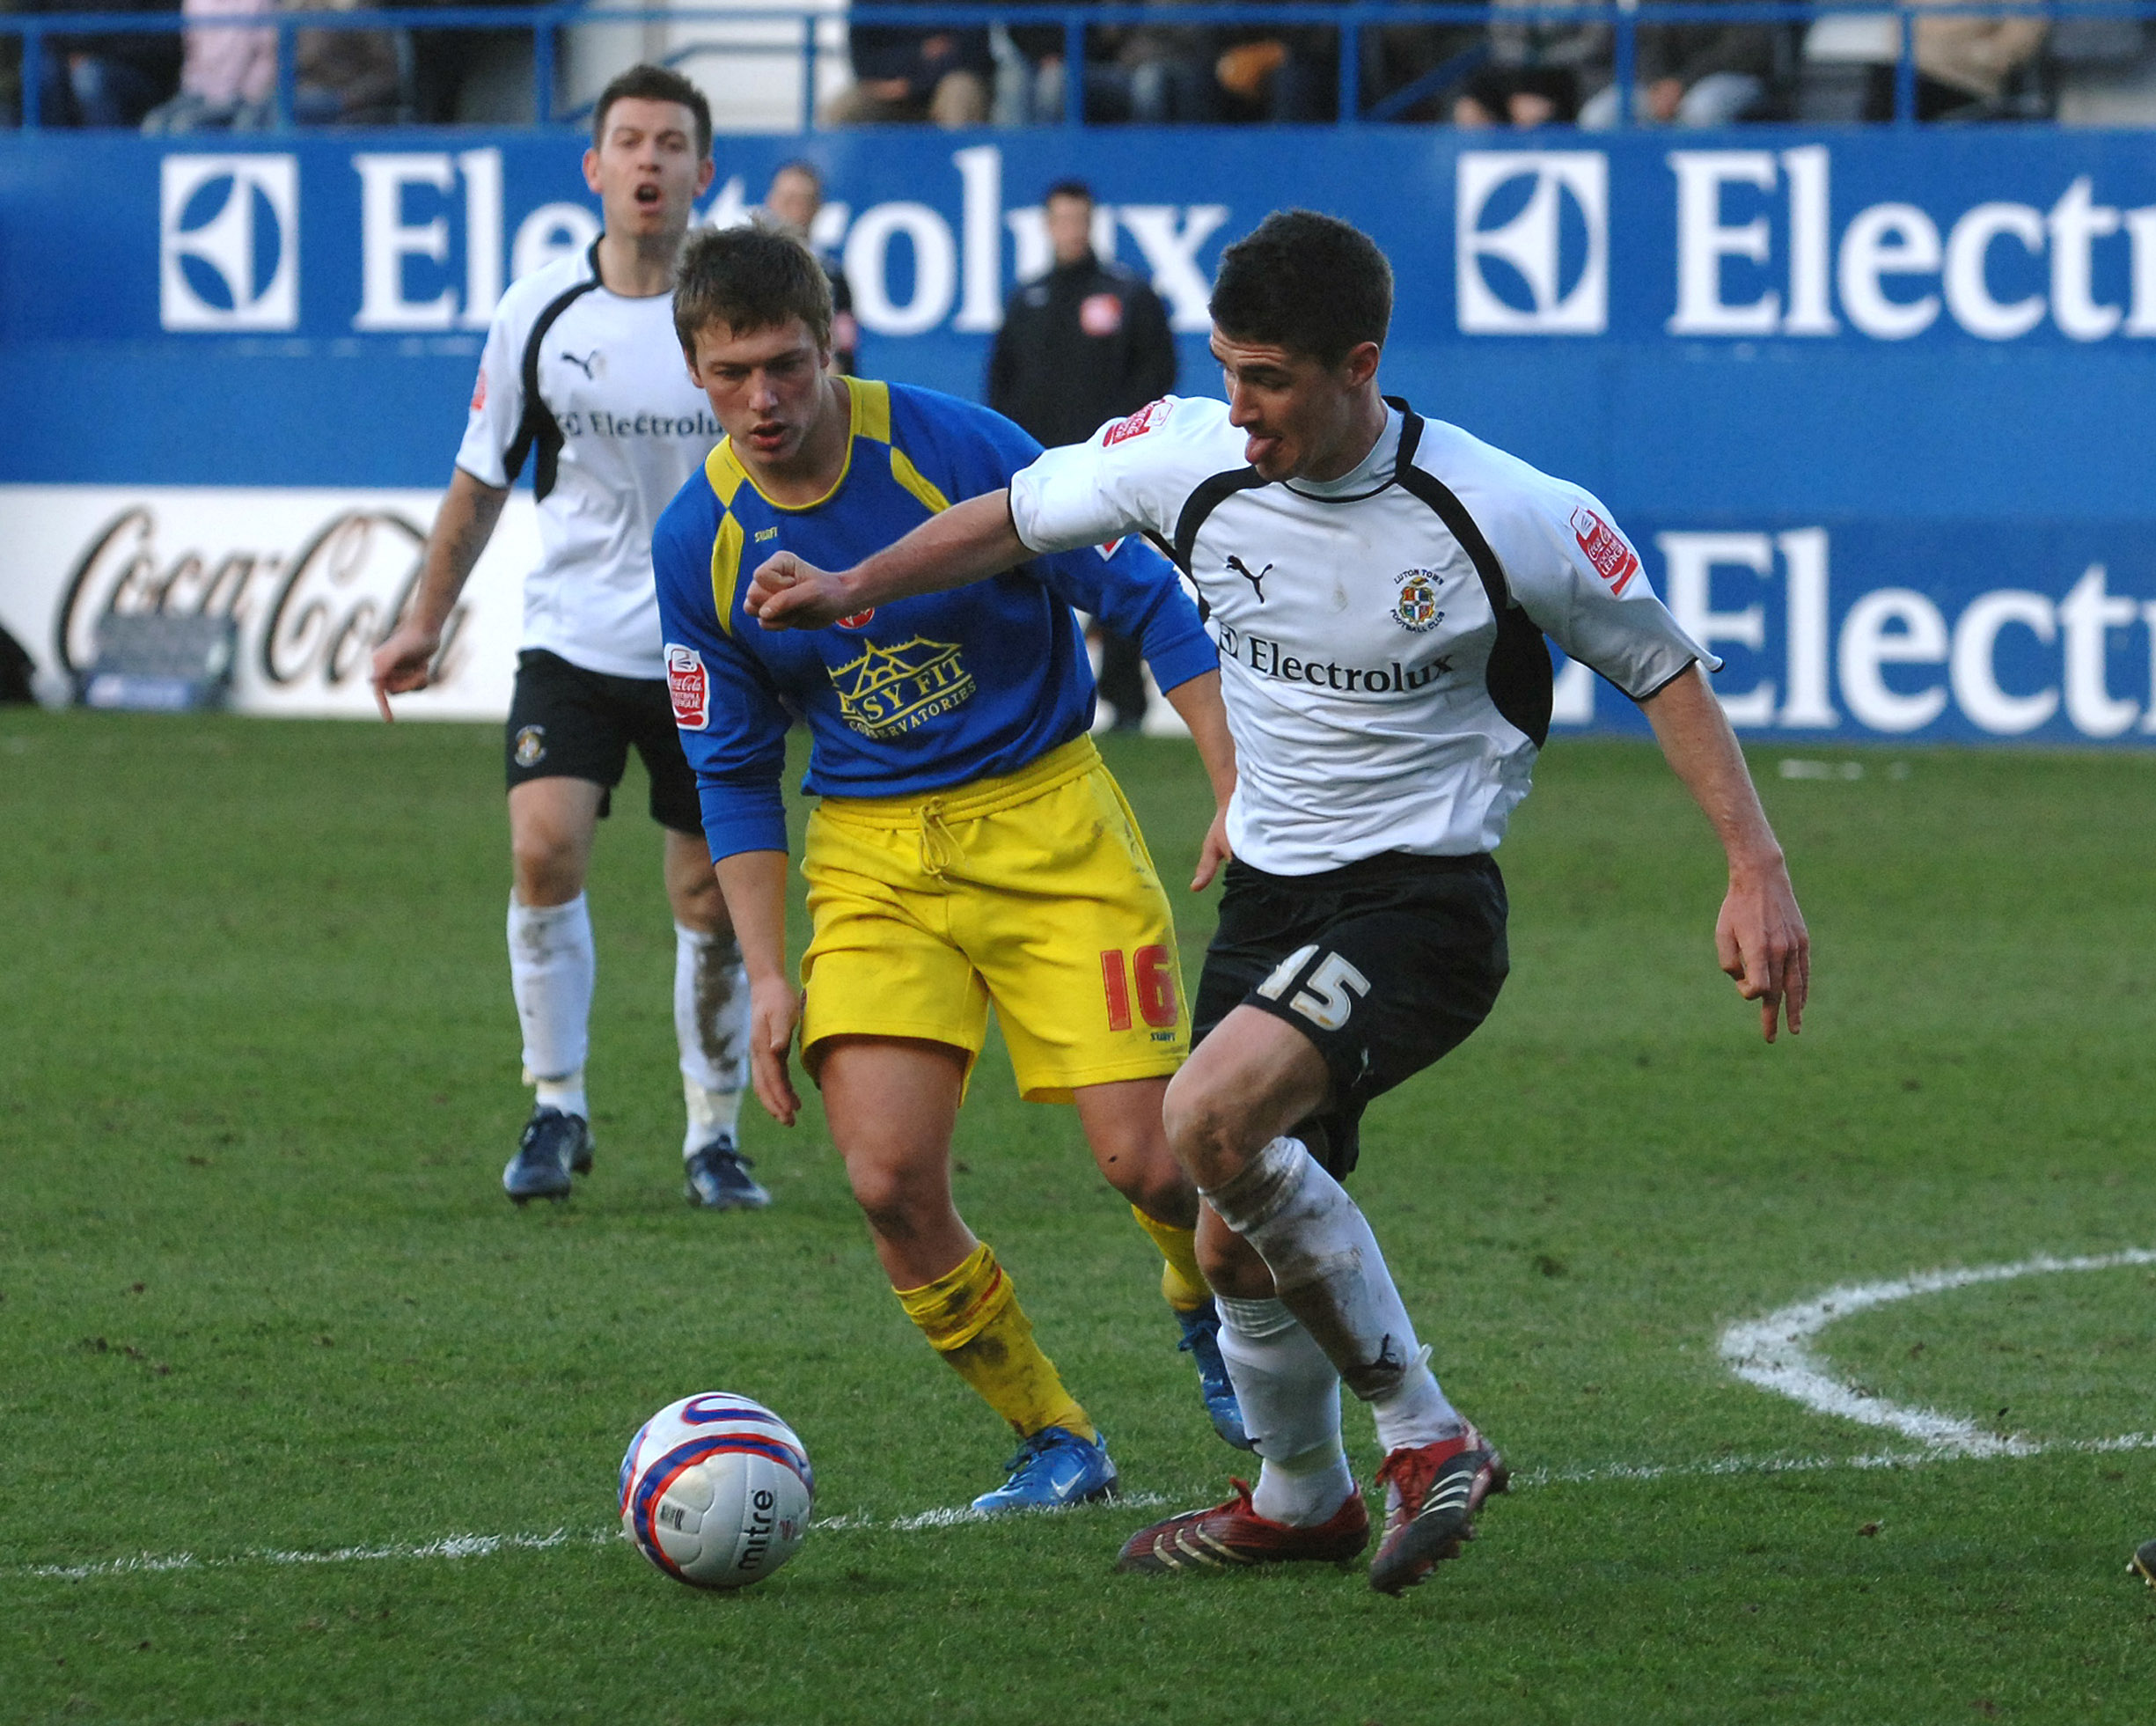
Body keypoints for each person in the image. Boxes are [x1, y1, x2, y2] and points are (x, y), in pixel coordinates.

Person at [743, 208, 1812, 1591]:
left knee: (1202, 1117)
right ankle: (1298, 1498)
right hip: (1270, 904)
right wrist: (850, 587)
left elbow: (1663, 669)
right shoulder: (1187, 457)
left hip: (1417, 906)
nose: (1240, 412)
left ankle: (1426, 1437)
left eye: (1270, 382)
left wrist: (1755, 868)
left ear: (1358, 365)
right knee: (1231, 1244)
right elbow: (1007, 520)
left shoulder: (1507, 513)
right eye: (1227, 371)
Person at [650, 223, 1251, 1511]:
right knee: (884, 1180)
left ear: (830, 344)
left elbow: (1141, 594)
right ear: (693, 370)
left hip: (1048, 823)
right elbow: (733, 767)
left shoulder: (953, 447)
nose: (762, 399)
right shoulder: (697, 539)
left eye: (785, 365)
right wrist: (764, 972)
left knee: (1152, 1162)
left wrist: (1231, 780)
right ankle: (1054, 1437)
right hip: (870, 859)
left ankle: (1208, 1310)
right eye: (729, 374)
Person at [370, 65, 759, 1213]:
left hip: (710, 648)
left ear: (703, 170)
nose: (649, 162)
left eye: (671, 143)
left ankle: (712, 1134)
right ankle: (556, 1106)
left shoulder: (739, 312)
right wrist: (422, 619)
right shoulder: (538, 309)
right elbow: (481, 476)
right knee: (542, 851)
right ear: (593, 169)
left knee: (706, 896)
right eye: (628, 141)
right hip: (573, 640)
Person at [987, 180, 1176, 732]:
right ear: (1047, 226)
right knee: (1032, 576)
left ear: (1092, 223)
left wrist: (1124, 444)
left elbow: (1157, 373)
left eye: (1079, 219)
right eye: (1061, 220)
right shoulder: (1028, 297)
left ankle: (1126, 698)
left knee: (1118, 573)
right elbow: (1002, 381)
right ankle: (1036, 698)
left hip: (1109, 468)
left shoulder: (1127, 293)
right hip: (1043, 467)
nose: (1070, 230)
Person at [821, 0, 992, 128]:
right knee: (841, 109)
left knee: (960, 89)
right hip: (889, 91)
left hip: (939, 88)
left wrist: (912, 86)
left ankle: (955, 172)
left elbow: (971, 57)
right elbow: (864, 63)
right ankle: (842, 175)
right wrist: (920, 53)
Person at [761, 160, 859, 377]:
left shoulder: (832, 276)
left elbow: (845, 350)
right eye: (786, 199)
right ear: (771, 201)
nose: (791, 209)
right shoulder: (748, 269)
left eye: (801, 201)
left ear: (817, 207)